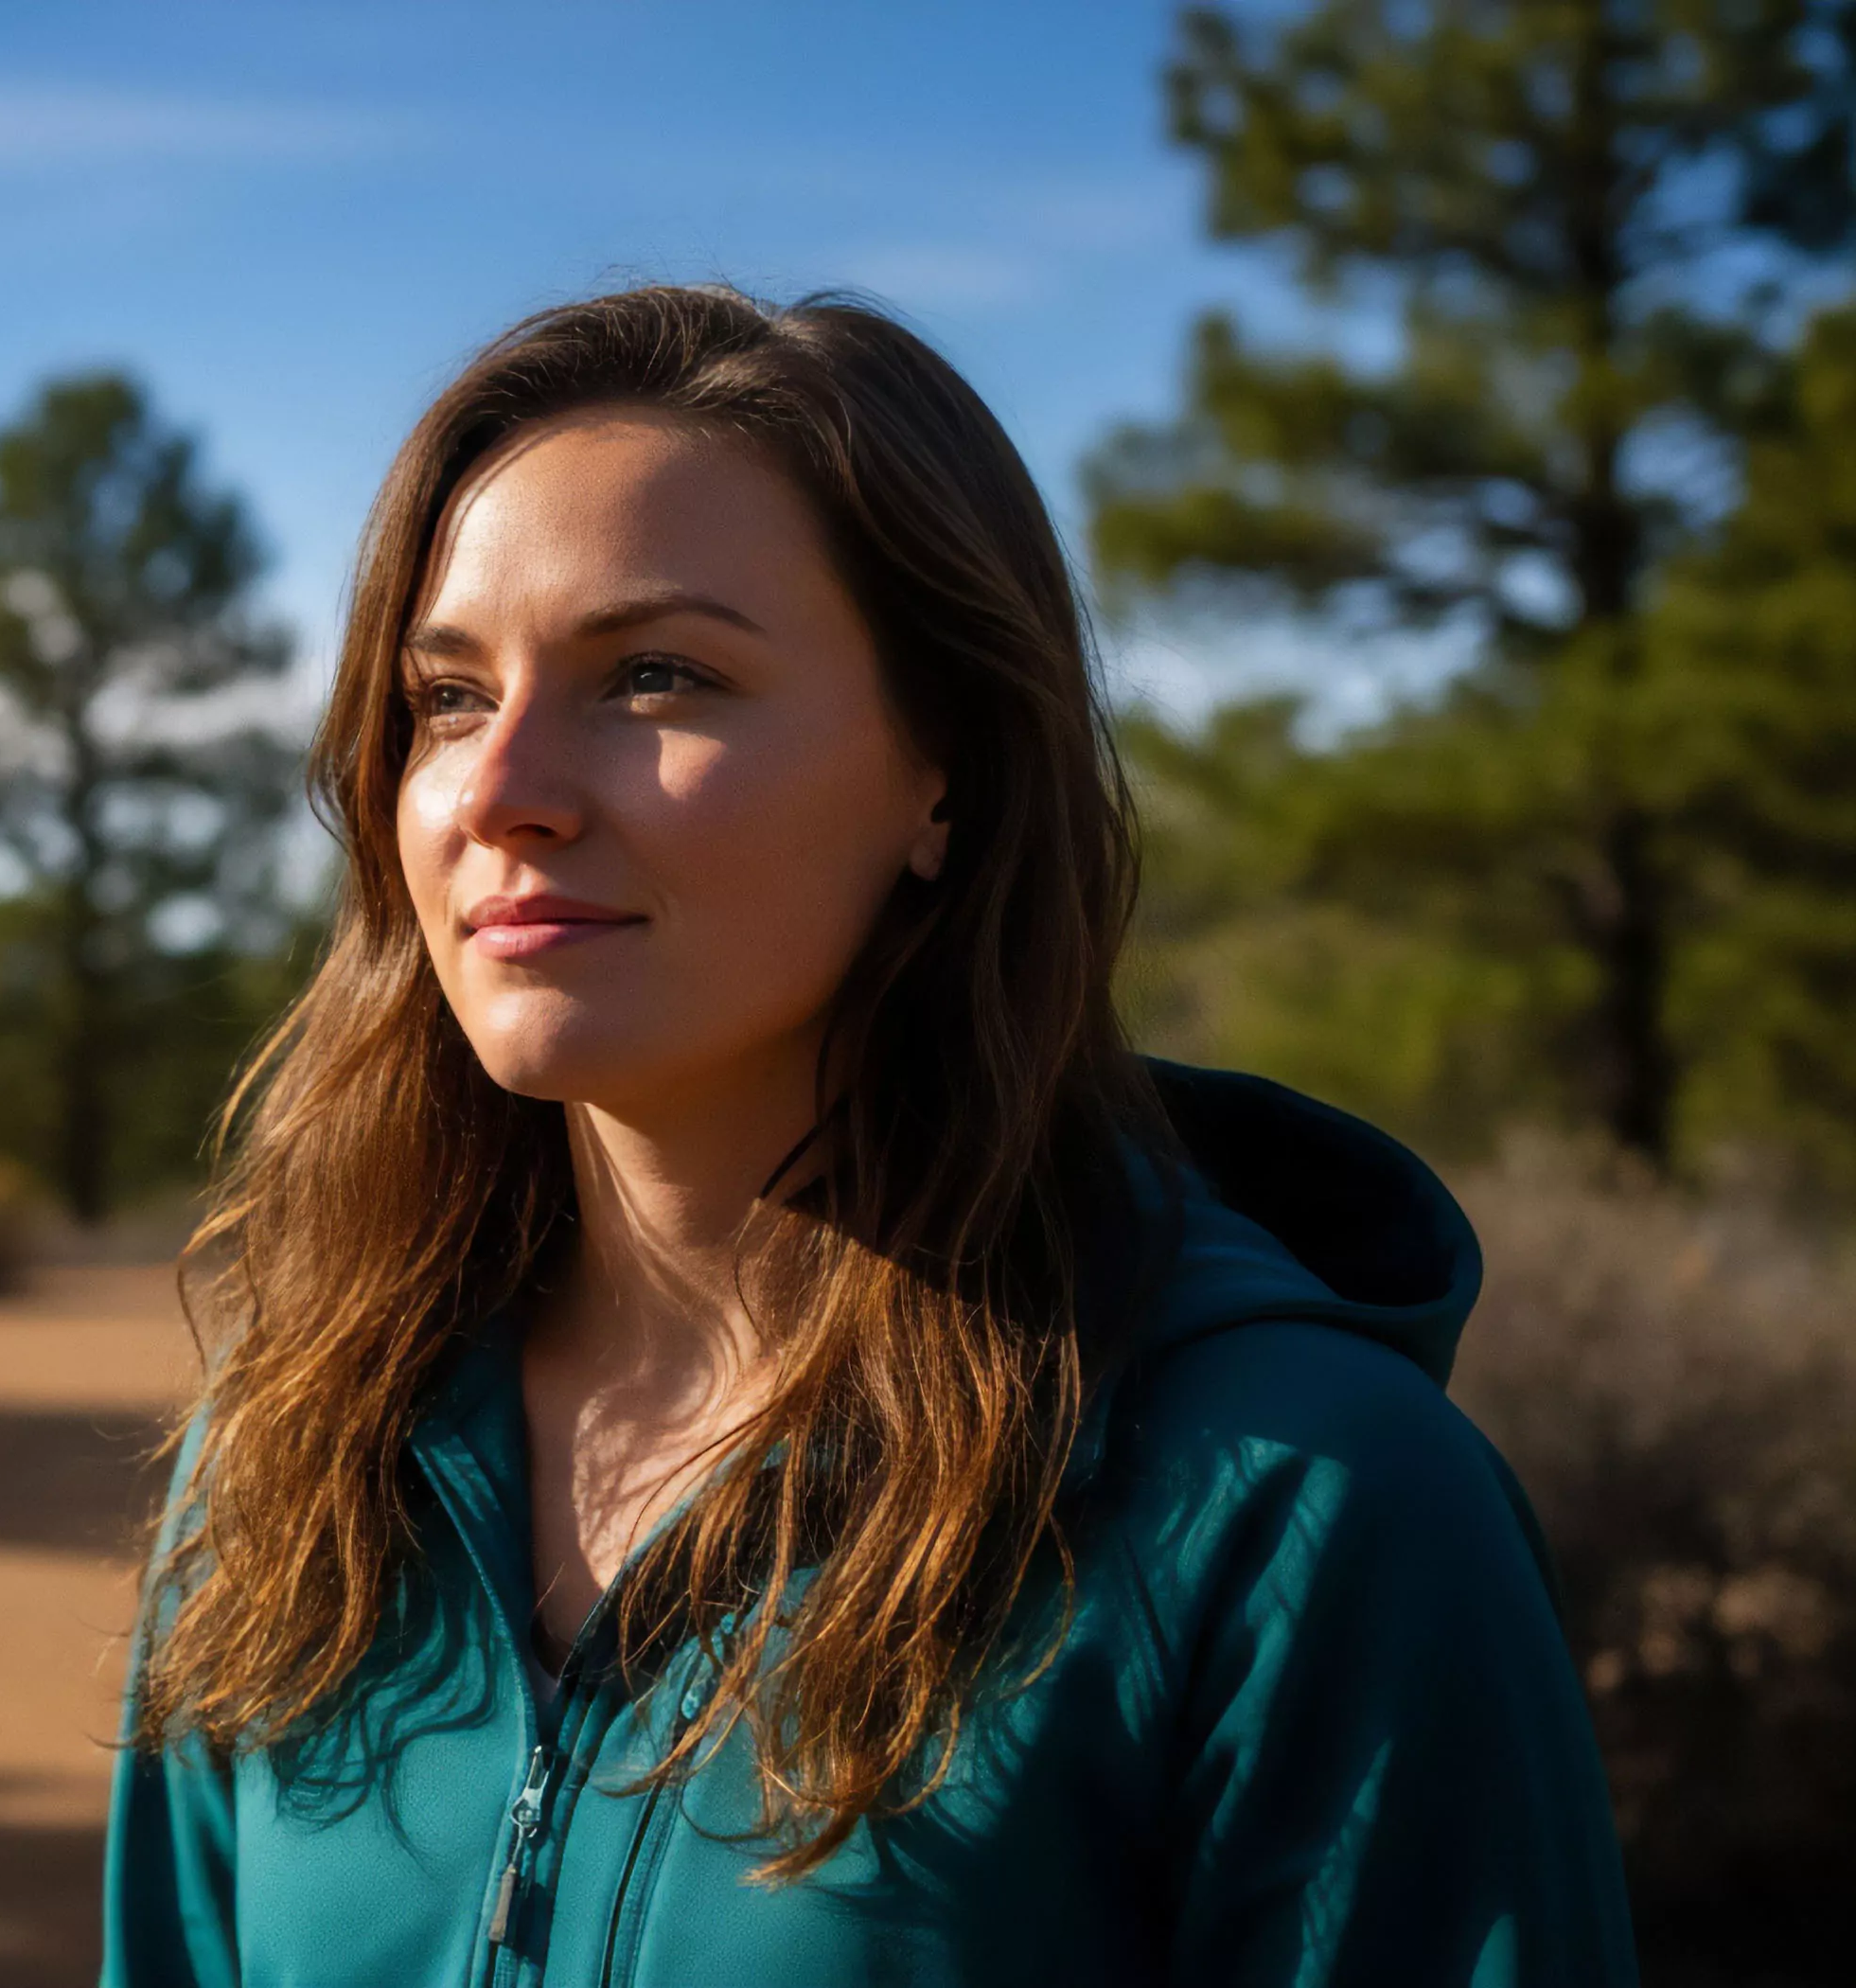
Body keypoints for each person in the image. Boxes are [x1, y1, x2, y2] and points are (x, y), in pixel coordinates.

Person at [102, 286, 1635, 1986]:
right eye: (448, 698)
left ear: (943, 773)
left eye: (655, 676)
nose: (499, 790)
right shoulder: (293, 1459)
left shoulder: (1300, 1509)